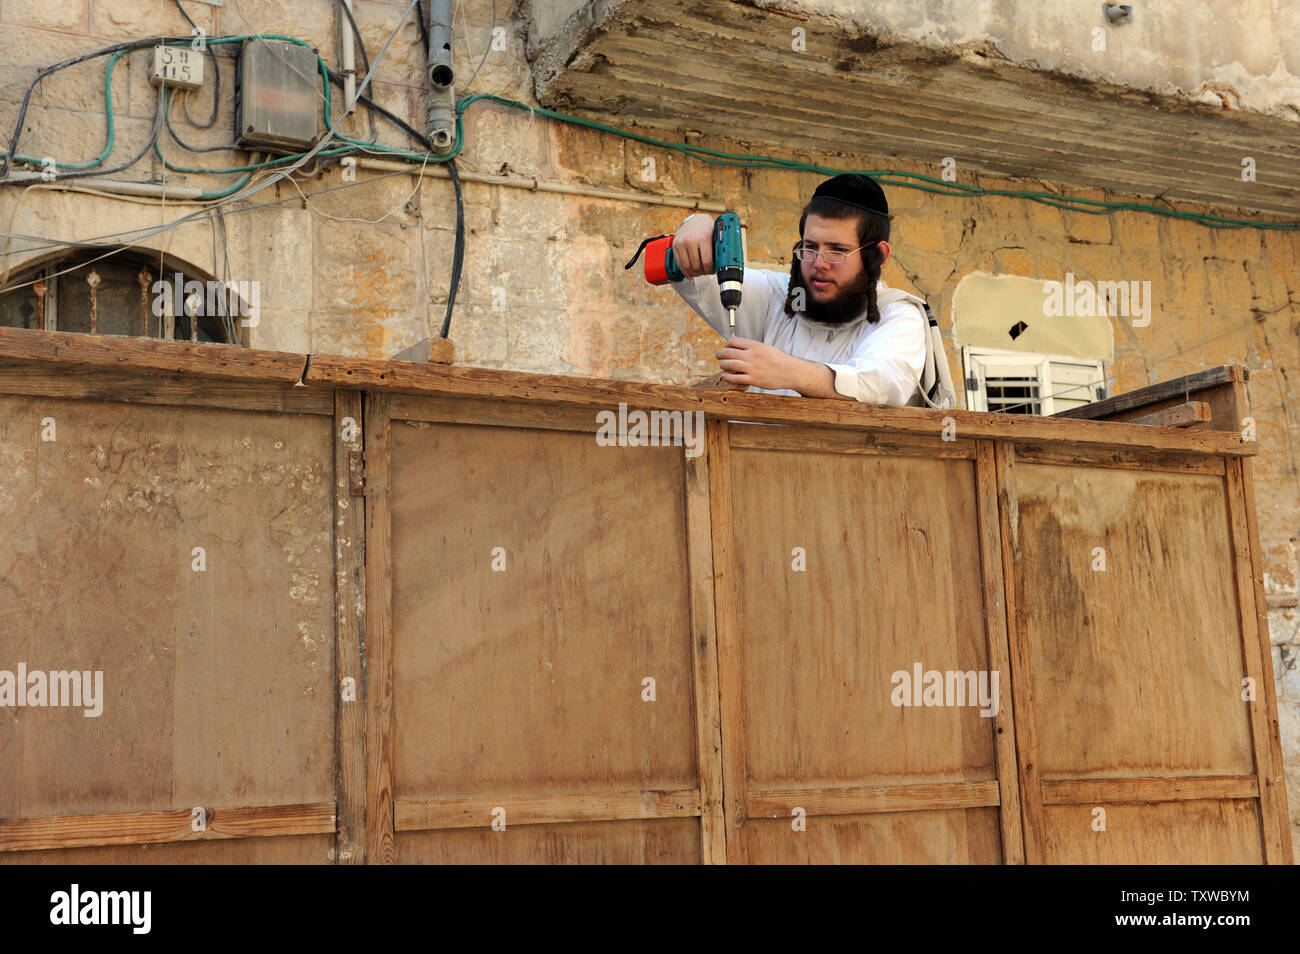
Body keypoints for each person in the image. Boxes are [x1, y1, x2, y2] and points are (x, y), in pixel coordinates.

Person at [670, 173, 929, 405]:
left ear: (878, 255)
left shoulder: (899, 316)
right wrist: (694, 225)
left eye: (837, 250)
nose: (819, 264)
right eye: (810, 247)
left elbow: (882, 385)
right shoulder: (778, 296)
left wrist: (790, 372)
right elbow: (689, 274)